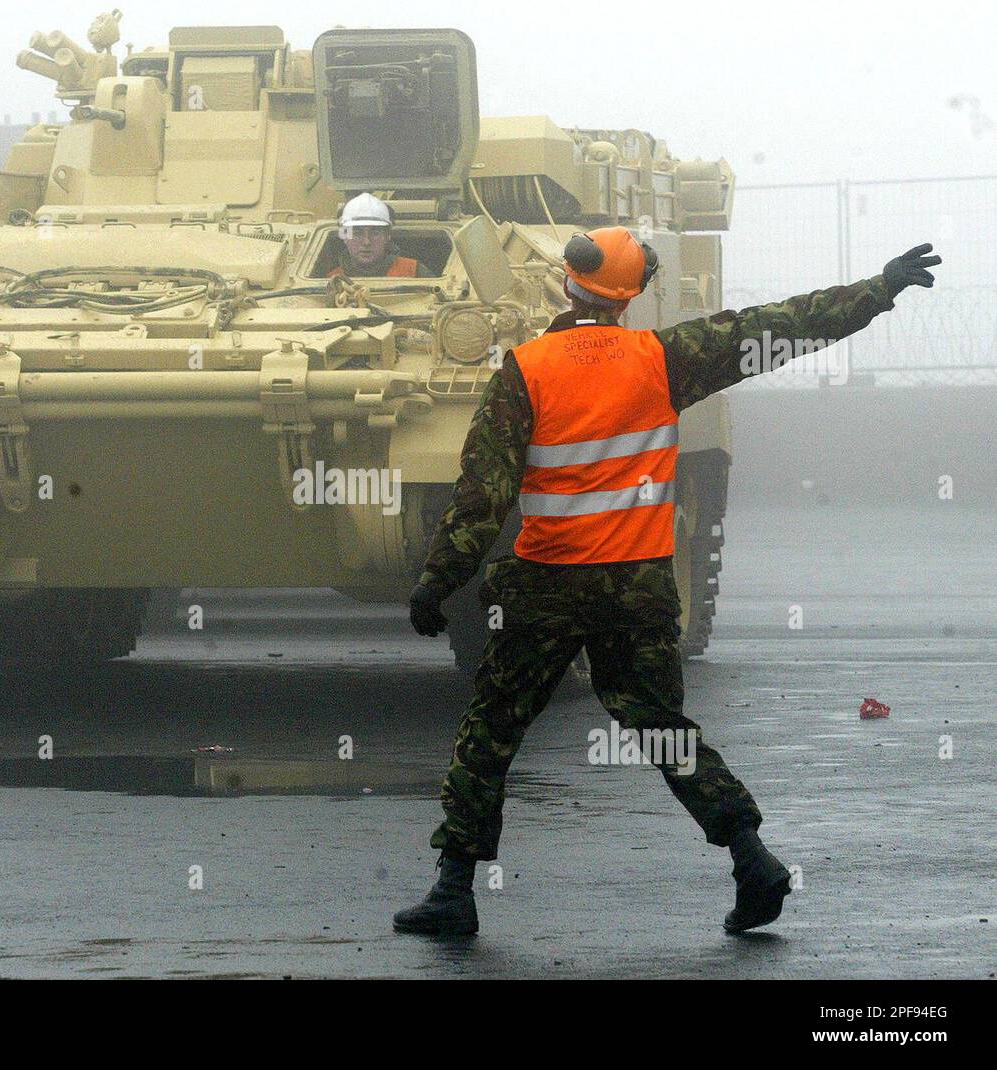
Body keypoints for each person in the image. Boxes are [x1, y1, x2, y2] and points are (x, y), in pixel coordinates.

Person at [393, 227, 941, 936]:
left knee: (492, 729)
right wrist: (878, 288)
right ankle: (752, 857)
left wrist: (437, 582)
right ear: (632, 296)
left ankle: (454, 891)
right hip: (639, 590)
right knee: (662, 731)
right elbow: (777, 327)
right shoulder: (664, 359)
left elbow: (481, 497)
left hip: (548, 587)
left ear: (568, 283)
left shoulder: (524, 372)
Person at [328, 192, 436, 278]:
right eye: (357, 234)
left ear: (387, 235)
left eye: (375, 233)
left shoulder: (413, 272)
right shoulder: (333, 279)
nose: (366, 242)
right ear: (345, 236)